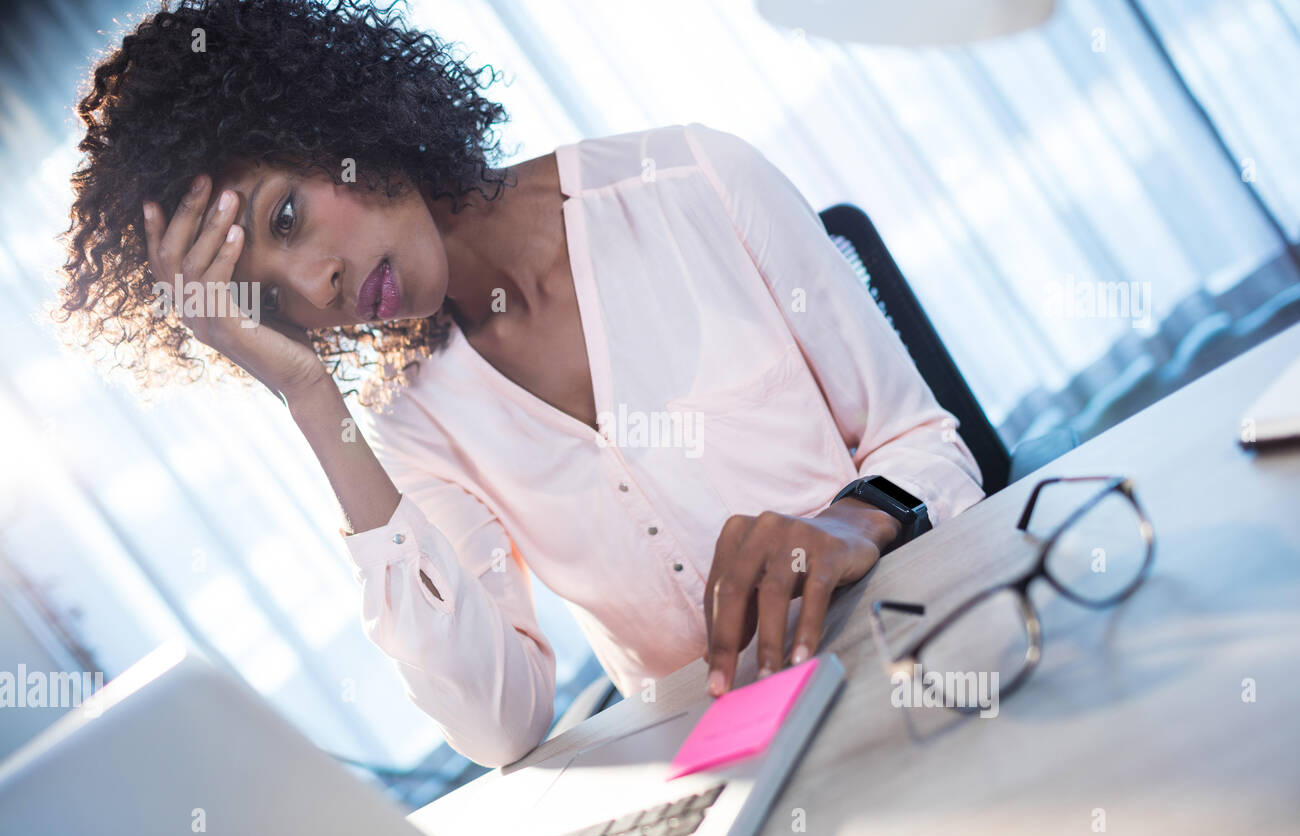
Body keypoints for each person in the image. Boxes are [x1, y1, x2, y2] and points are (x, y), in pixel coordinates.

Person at [55, 0, 985, 767]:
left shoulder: (692, 180)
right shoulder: (411, 418)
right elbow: (501, 725)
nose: (314, 290)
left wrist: (844, 521)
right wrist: (310, 400)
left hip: (930, 662)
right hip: (742, 774)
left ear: (334, 124)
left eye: (287, 217)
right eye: (266, 298)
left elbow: (926, 446)